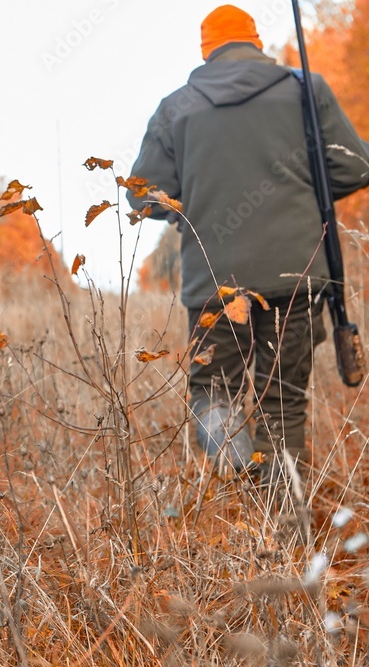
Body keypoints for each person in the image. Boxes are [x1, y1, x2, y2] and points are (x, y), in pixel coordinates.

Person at [128, 5, 369, 480]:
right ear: (256, 42)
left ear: (206, 51)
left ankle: (242, 474)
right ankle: (284, 523)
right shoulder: (305, 90)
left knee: (213, 396)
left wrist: (187, 203)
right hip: (295, 275)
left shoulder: (176, 107)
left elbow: (142, 197)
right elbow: (356, 167)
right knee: (285, 404)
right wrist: (305, 190)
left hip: (215, 286)